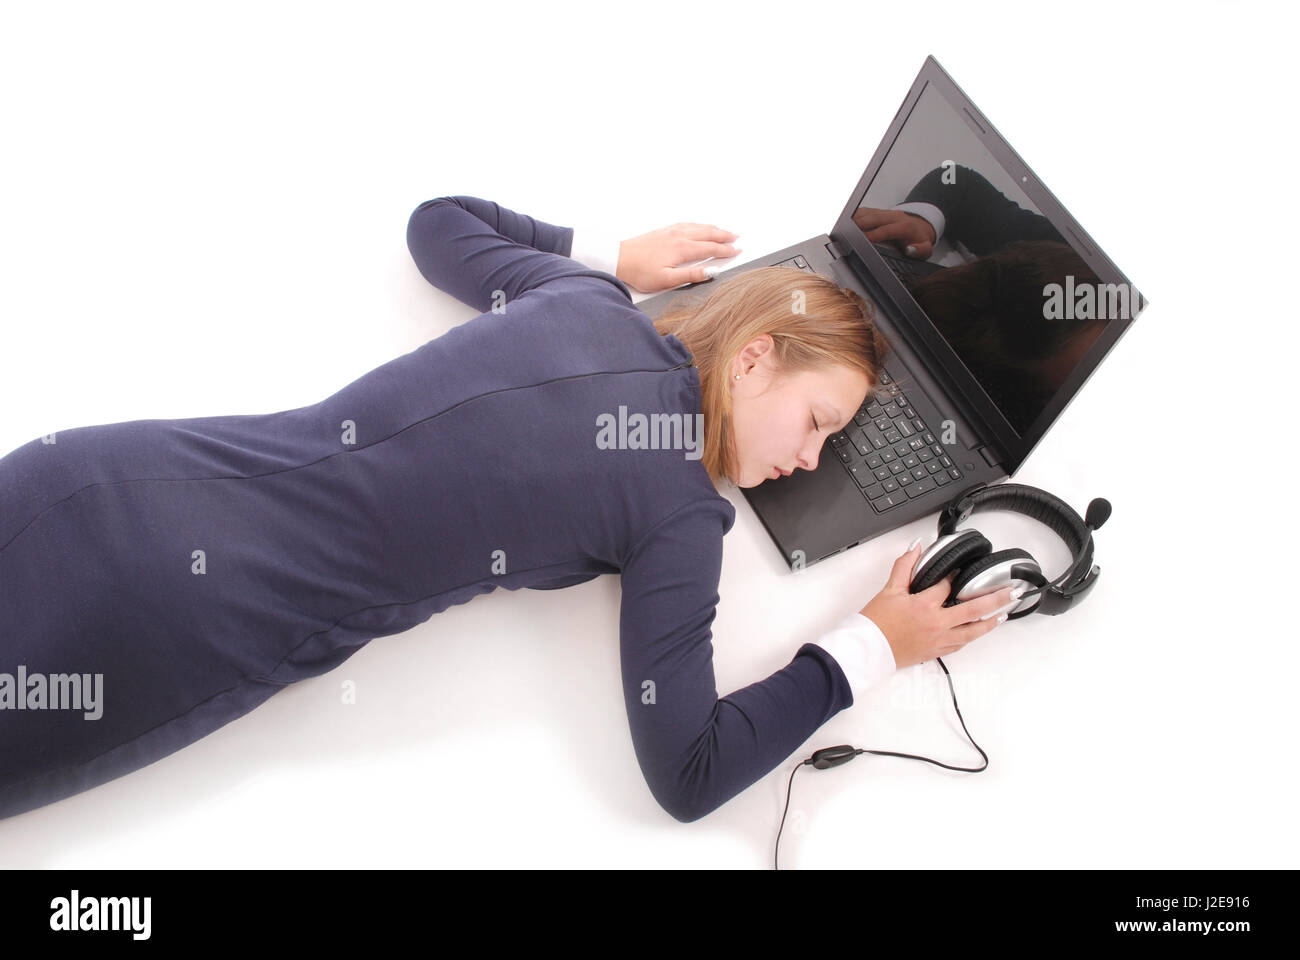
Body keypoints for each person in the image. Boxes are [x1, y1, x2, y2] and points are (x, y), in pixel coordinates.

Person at [0, 195, 1017, 823]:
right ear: (753, 356)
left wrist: (606, 253)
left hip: (95, 475)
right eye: (817, 422)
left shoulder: (578, 301)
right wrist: (874, 642)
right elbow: (689, 773)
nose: (808, 458)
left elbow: (436, 223)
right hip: (160, 630)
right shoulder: (675, 516)